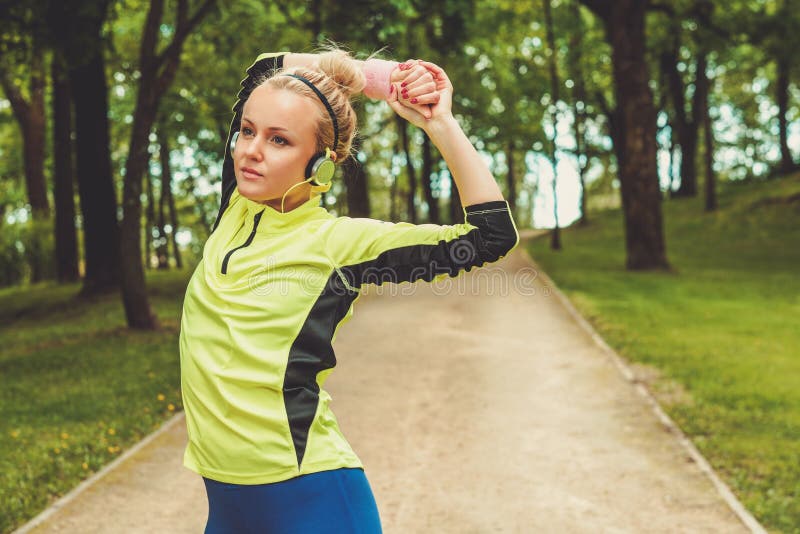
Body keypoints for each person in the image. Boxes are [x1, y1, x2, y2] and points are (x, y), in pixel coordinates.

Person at [179, 44, 520, 533]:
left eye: (279, 141)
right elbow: (264, 67)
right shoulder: (233, 208)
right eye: (247, 132)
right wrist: (382, 78)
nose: (251, 151)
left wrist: (438, 122)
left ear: (322, 161)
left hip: (312, 499)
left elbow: (489, 237)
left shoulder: (340, 243)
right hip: (227, 504)